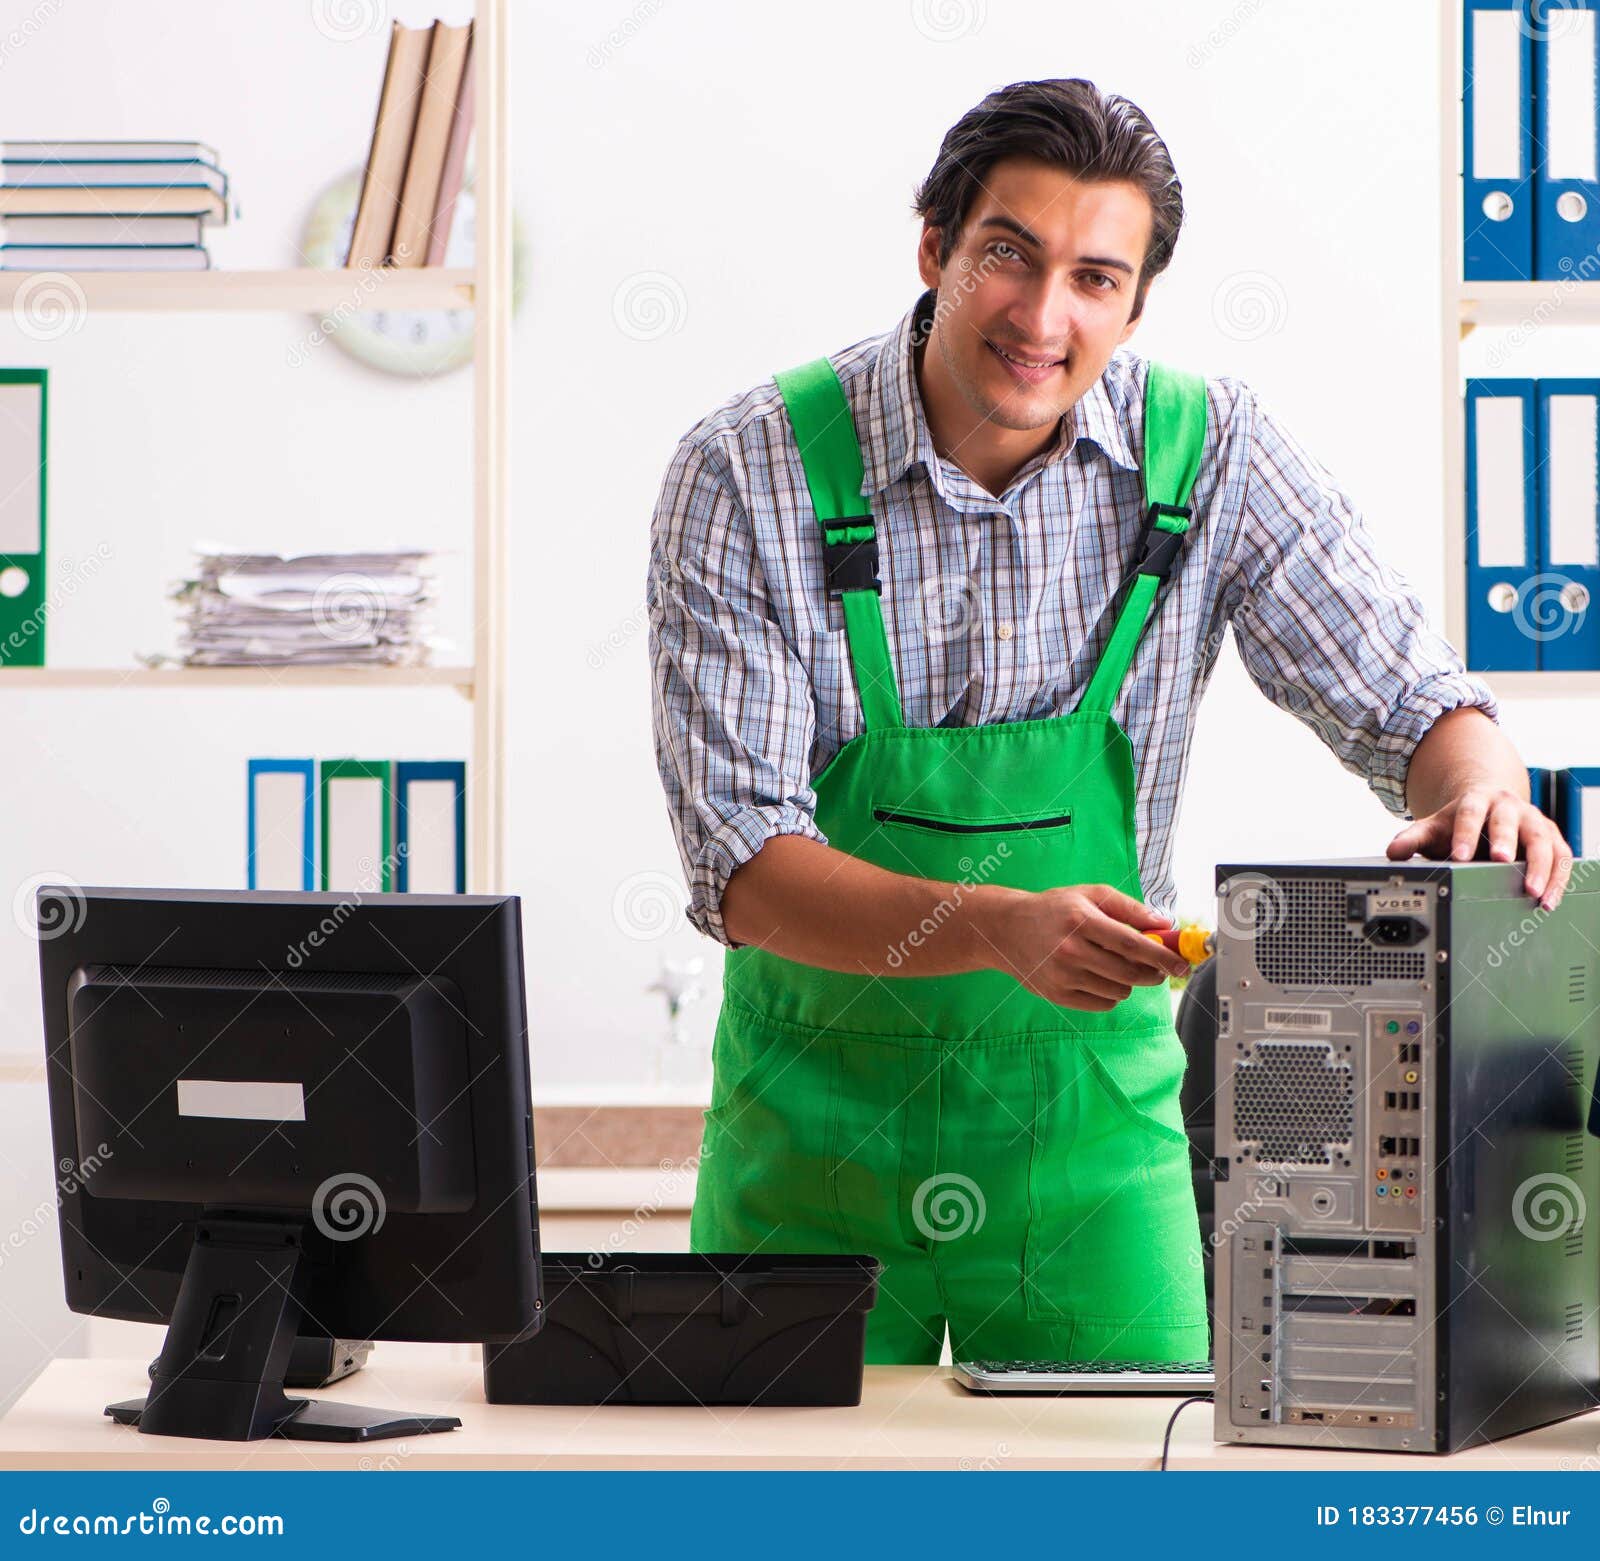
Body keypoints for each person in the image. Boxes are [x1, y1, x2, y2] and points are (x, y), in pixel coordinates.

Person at [646, 78, 1571, 1366]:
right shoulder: (749, 470)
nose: (1042, 316)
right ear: (935, 248)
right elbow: (742, 867)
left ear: (1136, 301)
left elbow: (1413, 697)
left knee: (1142, 1498)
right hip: (809, 1150)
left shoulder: (1209, 457)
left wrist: (1482, 785)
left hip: (1093, 1160)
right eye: (1007, 259)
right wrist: (1001, 928)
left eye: (1094, 278)